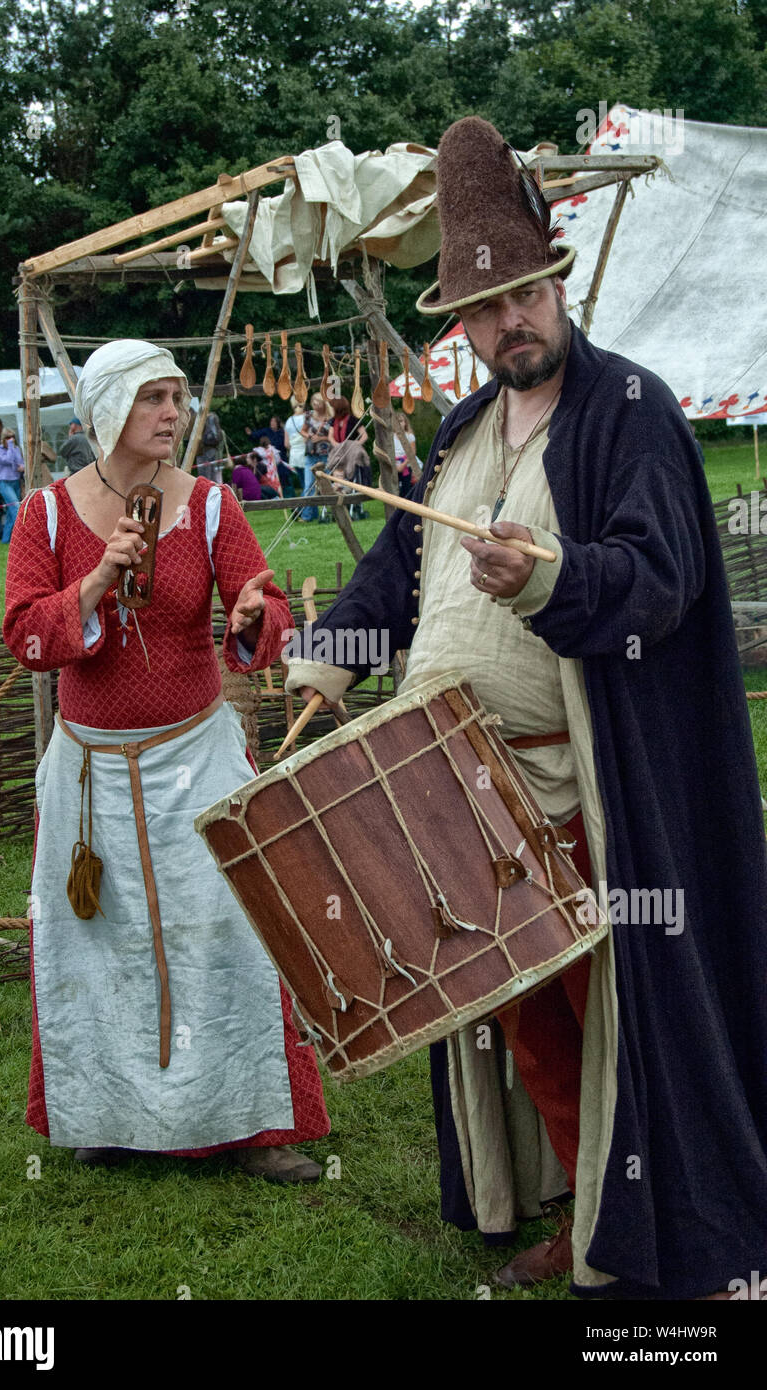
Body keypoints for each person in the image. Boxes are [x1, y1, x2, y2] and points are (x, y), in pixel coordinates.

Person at [284, 116, 767, 1299]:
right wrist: (326, 660)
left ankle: (654, 1221)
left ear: (556, 284)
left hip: (591, 787)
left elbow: (663, 577)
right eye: (487, 311)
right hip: (456, 788)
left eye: (529, 297)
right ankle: (582, 1194)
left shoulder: (630, 412)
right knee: (512, 1008)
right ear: (462, 326)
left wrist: (551, 576)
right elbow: (400, 571)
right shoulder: (461, 431)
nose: (515, 323)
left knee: (622, 1009)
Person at [3, 338, 328, 1181]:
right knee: (96, 936)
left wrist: (257, 612)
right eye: (153, 400)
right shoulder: (46, 515)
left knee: (229, 925)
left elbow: (262, 612)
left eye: (177, 399)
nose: (172, 415)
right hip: (90, 771)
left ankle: (255, 1126)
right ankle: (106, 1115)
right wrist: (96, 583)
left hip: (197, 755)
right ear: (110, 411)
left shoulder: (212, 505)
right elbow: (28, 635)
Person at [328, 396, 370, 519]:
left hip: (351, 454)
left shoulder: (353, 420)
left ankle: (354, 502)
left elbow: (364, 436)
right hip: (338, 454)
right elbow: (331, 436)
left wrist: (353, 446)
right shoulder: (333, 421)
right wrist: (338, 446)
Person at [299, 393, 332, 522]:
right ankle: (307, 516)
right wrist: (308, 436)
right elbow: (303, 430)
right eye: (314, 403)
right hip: (311, 453)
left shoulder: (330, 417)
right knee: (309, 485)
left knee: (327, 485)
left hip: (326, 454)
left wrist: (321, 438)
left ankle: (331, 513)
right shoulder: (308, 415)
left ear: (324, 403)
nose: (316, 406)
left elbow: (333, 436)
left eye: (318, 403)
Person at [0, 427, 26, 542]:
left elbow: (21, 462)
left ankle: (5, 539)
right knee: (16, 509)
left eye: (12, 437)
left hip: (16, 481)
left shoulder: (17, 448)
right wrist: (11, 447)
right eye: (8, 437)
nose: (11, 439)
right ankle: (22, 537)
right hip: (5, 483)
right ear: (3, 439)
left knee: (10, 513)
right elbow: (7, 460)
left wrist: (22, 467)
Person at [197, 411, 224, 482]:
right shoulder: (217, 428)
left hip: (206, 451)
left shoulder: (206, 421)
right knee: (214, 475)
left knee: (207, 476)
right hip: (214, 451)